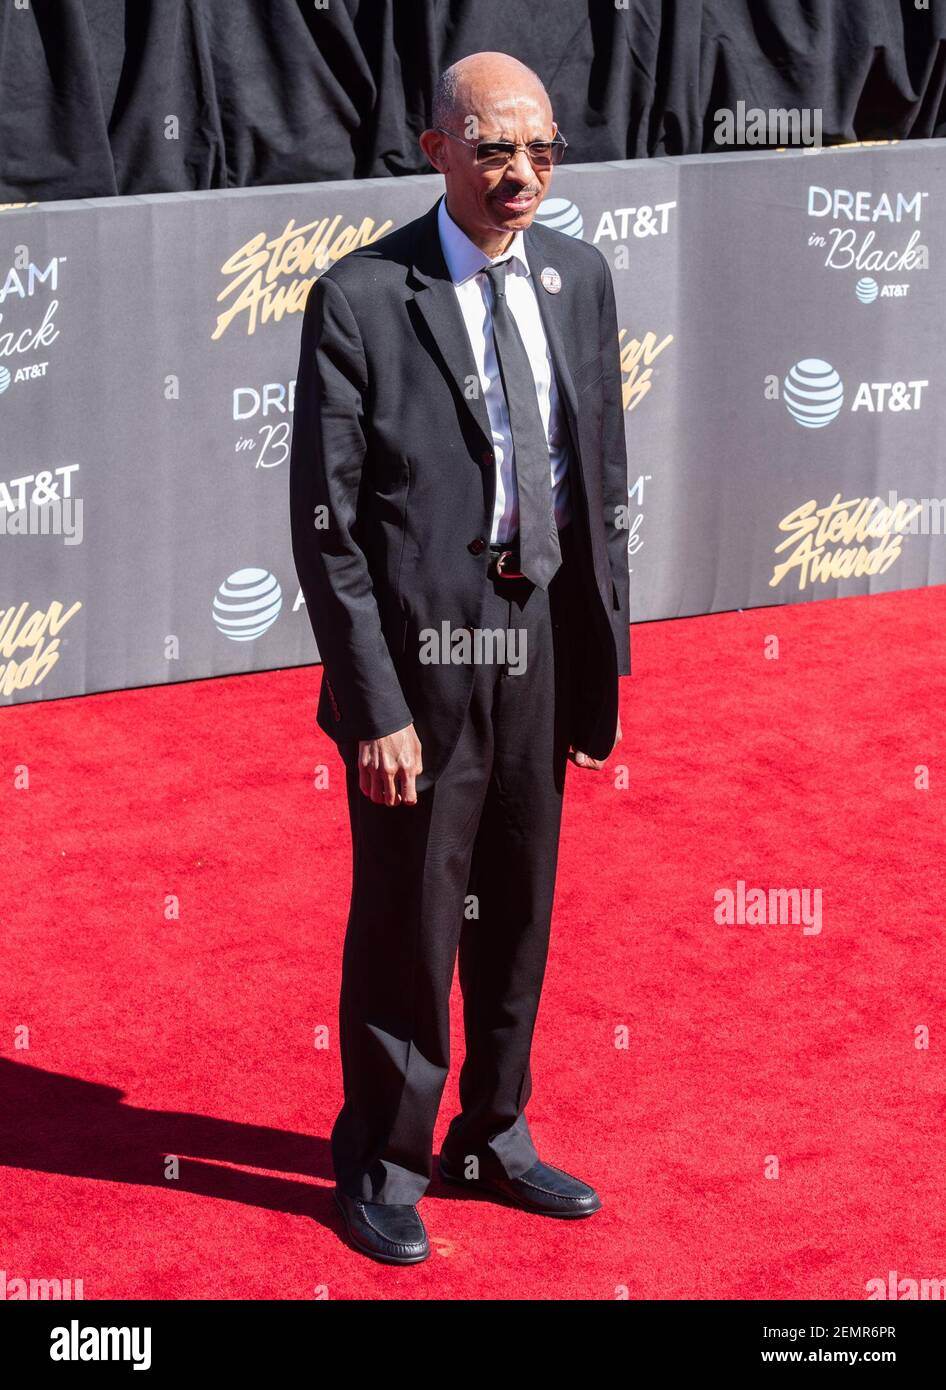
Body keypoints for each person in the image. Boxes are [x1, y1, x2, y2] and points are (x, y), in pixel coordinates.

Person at [289, 50, 630, 1265]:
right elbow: (325, 528)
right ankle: (382, 1158)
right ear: (434, 148)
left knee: (518, 906)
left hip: (535, 638)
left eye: (541, 150)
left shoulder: (580, 278)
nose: (521, 175)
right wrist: (373, 704)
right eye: (493, 148)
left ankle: (492, 1131)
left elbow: (600, 485)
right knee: (408, 918)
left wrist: (600, 667)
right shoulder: (362, 298)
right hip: (418, 665)